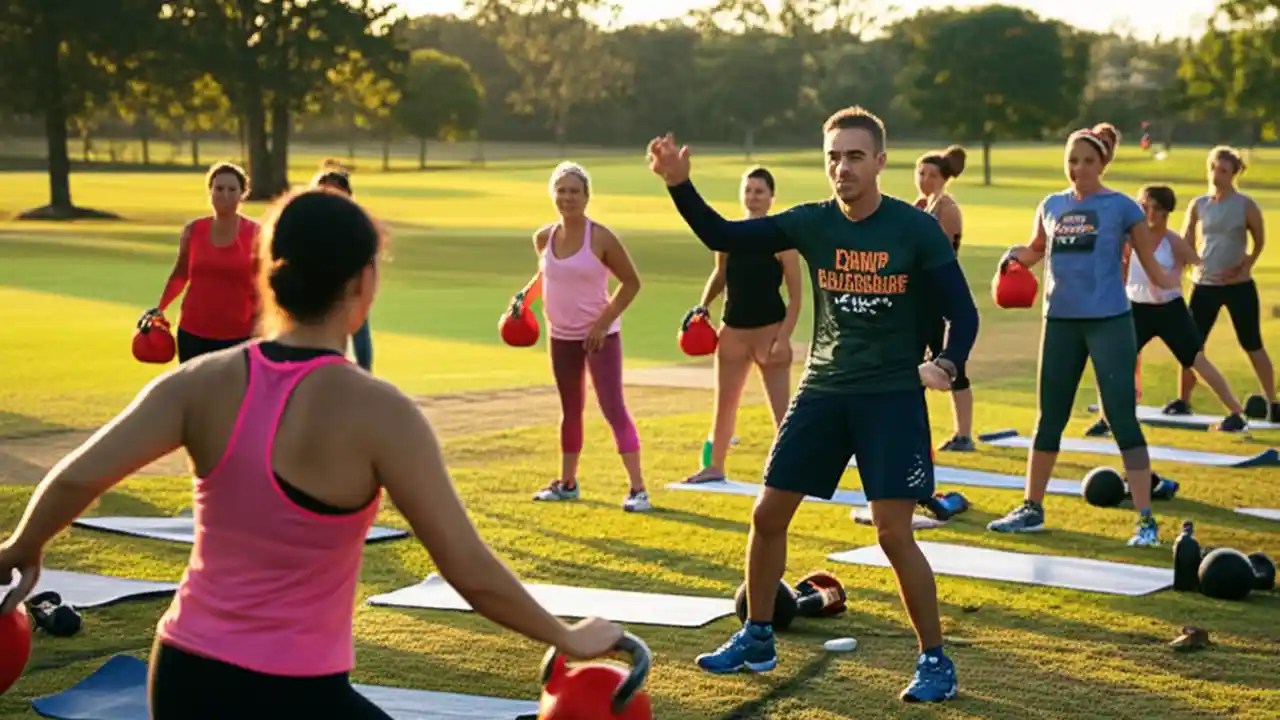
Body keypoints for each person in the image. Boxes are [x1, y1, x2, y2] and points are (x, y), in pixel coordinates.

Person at [0, 189, 626, 719]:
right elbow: (468, 569)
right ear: (363, 282)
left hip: (184, 673)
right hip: (295, 692)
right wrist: (566, 634)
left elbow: (77, 475)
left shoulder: (198, 384)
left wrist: (21, 549)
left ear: (269, 271)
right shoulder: (383, 414)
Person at [647, 105, 979, 703]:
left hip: (892, 399)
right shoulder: (810, 223)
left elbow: (965, 312)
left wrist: (947, 363)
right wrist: (679, 184)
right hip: (824, 389)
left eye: (854, 156)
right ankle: (756, 636)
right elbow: (723, 235)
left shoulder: (915, 229)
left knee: (893, 533)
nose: (842, 168)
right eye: (833, 157)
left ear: (880, 161)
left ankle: (935, 660)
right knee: (767, 514)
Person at [986, 124, 1179, 547]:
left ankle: (1145, 520)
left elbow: (1151, 262)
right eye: (1072, 161)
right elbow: (1036, 250)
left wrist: (1177, 284)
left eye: (1088, 161)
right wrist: (1010, 258)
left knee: (1122, 418)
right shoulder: (1051, 204)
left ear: (1102, 163)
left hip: (1109, 321)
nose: (1079, 168)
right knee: (1049, 418)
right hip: (1060, 323)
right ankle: (1031, 508)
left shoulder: (1123, 208)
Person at [513, 162, 650, 512]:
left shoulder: (600, 237)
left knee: (612, 407)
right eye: (561, 190)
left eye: (575, 191)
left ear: (587, 196)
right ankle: (567, 483)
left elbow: (631, 283)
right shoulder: (543, 238)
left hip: (599, 338)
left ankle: (638, 489)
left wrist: (603, 323)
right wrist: (522, 301)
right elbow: (546, 277)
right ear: (553, 195)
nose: (567, 197)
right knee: (569, 409)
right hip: (561, 336)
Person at [1085, 185, 1247, 437]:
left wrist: (1232, 266)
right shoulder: (1130, 238)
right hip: (1137, 309)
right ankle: (1107, 419)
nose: (1141, 211)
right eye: (1140, 205)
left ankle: (1237, 413)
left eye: (1146, 207)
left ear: (1161, 212)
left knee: (1196, 360)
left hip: (1170, 311)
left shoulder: (1173, 242)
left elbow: (1196, 264)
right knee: (1114, 361)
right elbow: (1119, 268)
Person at [683, 167, 802, 484]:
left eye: (759, 191)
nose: (753, 197)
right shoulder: (728, 234)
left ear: (771, 197)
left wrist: (784, 337)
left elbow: (796, 298)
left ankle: (789, 471)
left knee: (782, 412)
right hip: (732, 331)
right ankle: (715, 467)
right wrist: (703, 306)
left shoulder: (782, 238)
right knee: (724, 406)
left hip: (770, 332)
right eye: (748, 190)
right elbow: (720, 275)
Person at [1168, 146, 1276, 421]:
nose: (1217, 175)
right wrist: (1190, 264)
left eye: (1224, 171)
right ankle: (1183, 400)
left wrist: (1246, 266)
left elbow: (1259, 241)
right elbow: (1187, 241)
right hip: (1205, 285)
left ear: (1234, 174)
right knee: (1191, 345)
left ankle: (1273, 402)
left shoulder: (1245, 205)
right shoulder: (1199, 205)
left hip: (1238, 286)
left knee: (1251, 342)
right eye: (1214, 169)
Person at [143, 162, 260, 363]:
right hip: (194, 330)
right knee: (193, 393)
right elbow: (181, 274)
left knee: (232, 394)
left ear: (242, 193)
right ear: (210, 192)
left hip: (239, 334)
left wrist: (263, 325)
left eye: (232, 189)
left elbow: (262, 284)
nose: (224, 195)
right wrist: (160, 308)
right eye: (219, 188)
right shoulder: (193, 231)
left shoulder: (256, 234)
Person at [913, 146, 975, 452]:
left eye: (931, 174)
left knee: (951, 364)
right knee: (914, 363)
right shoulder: (923, 205)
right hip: (919, 298)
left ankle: (964, 434)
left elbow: (943, 256)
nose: (924, 179)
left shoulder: (946, 208)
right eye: (921, 173)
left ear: (944, 178)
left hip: (938, 298)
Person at [310, 162, 374, 373]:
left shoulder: (356, 222)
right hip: (318, 290)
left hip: (351, 287)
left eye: (337, 190)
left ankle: (363, 379)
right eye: (325, 189)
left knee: (361, 342)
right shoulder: (308, 222)